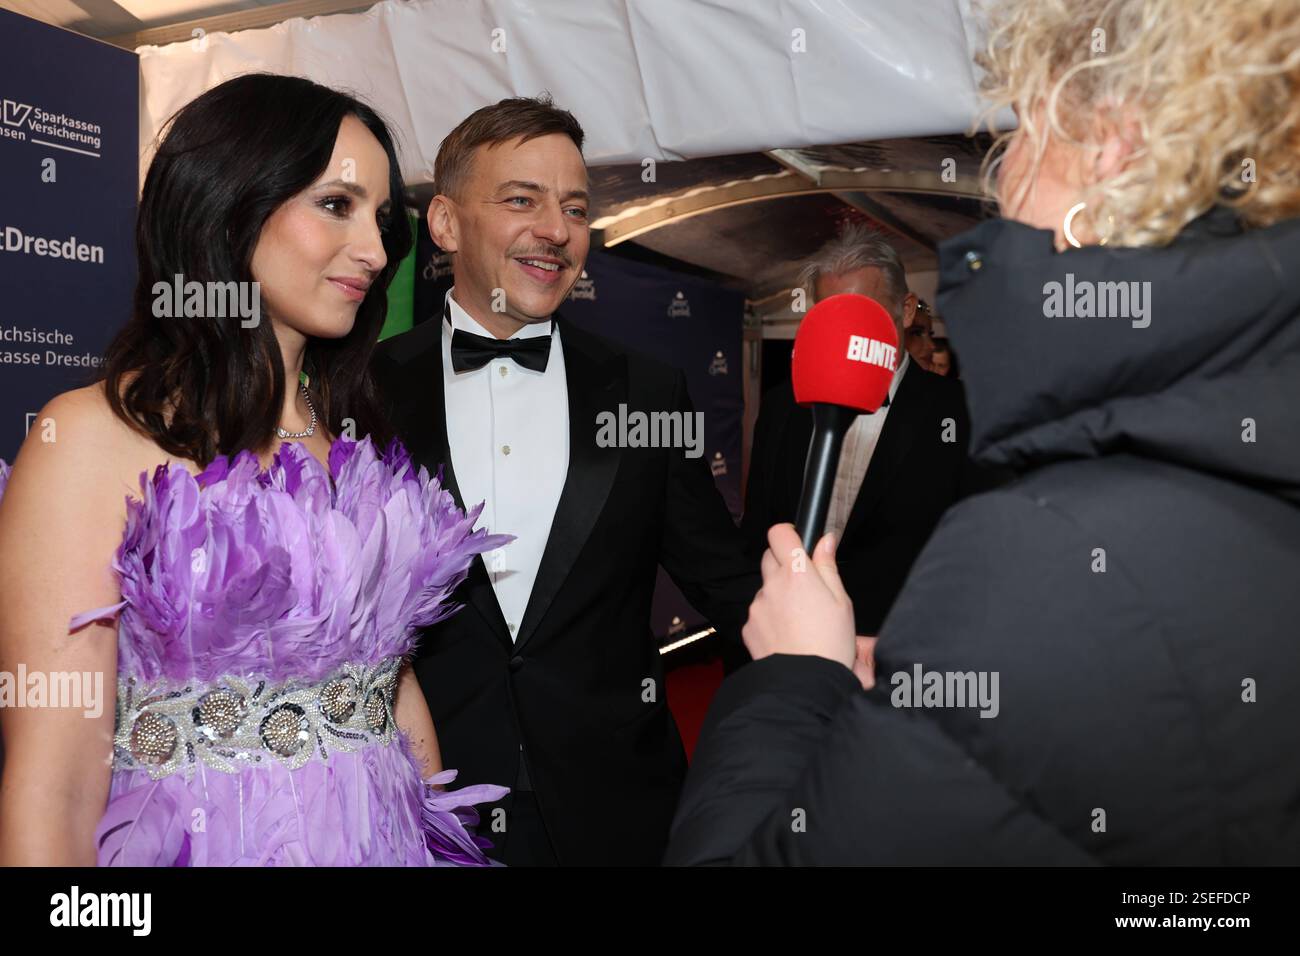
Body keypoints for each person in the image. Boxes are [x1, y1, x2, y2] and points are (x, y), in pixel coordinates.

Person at [666, 0, 1300, 865]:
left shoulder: (1051, 538)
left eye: (1019, 140)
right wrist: (941, 675)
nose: (1000, 186)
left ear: (1107, 152)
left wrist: (790, 681)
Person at [0, 74, 509, 866]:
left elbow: (390, 689)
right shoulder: (92, 437)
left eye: (380, 218)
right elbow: (54, 789)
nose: (376, 251)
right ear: (228, 202)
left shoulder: (357, 434)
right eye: (336, 205)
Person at [371, 95, 759, 866]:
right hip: (423, 807)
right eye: (523, 200)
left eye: (575, 207)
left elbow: (726, 582)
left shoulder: (646, 390)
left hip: (618, 809)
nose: (556, 230)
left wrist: (808, 697)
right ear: (445, 225)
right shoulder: (365, 390)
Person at [742, 226, 986, 640]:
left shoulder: (966, 410)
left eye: (864, 312)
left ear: (906, 310)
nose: (848, 330)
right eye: (832, 314)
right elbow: (757, 533)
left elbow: (980, 555)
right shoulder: (785, 403)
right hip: (794, 648)